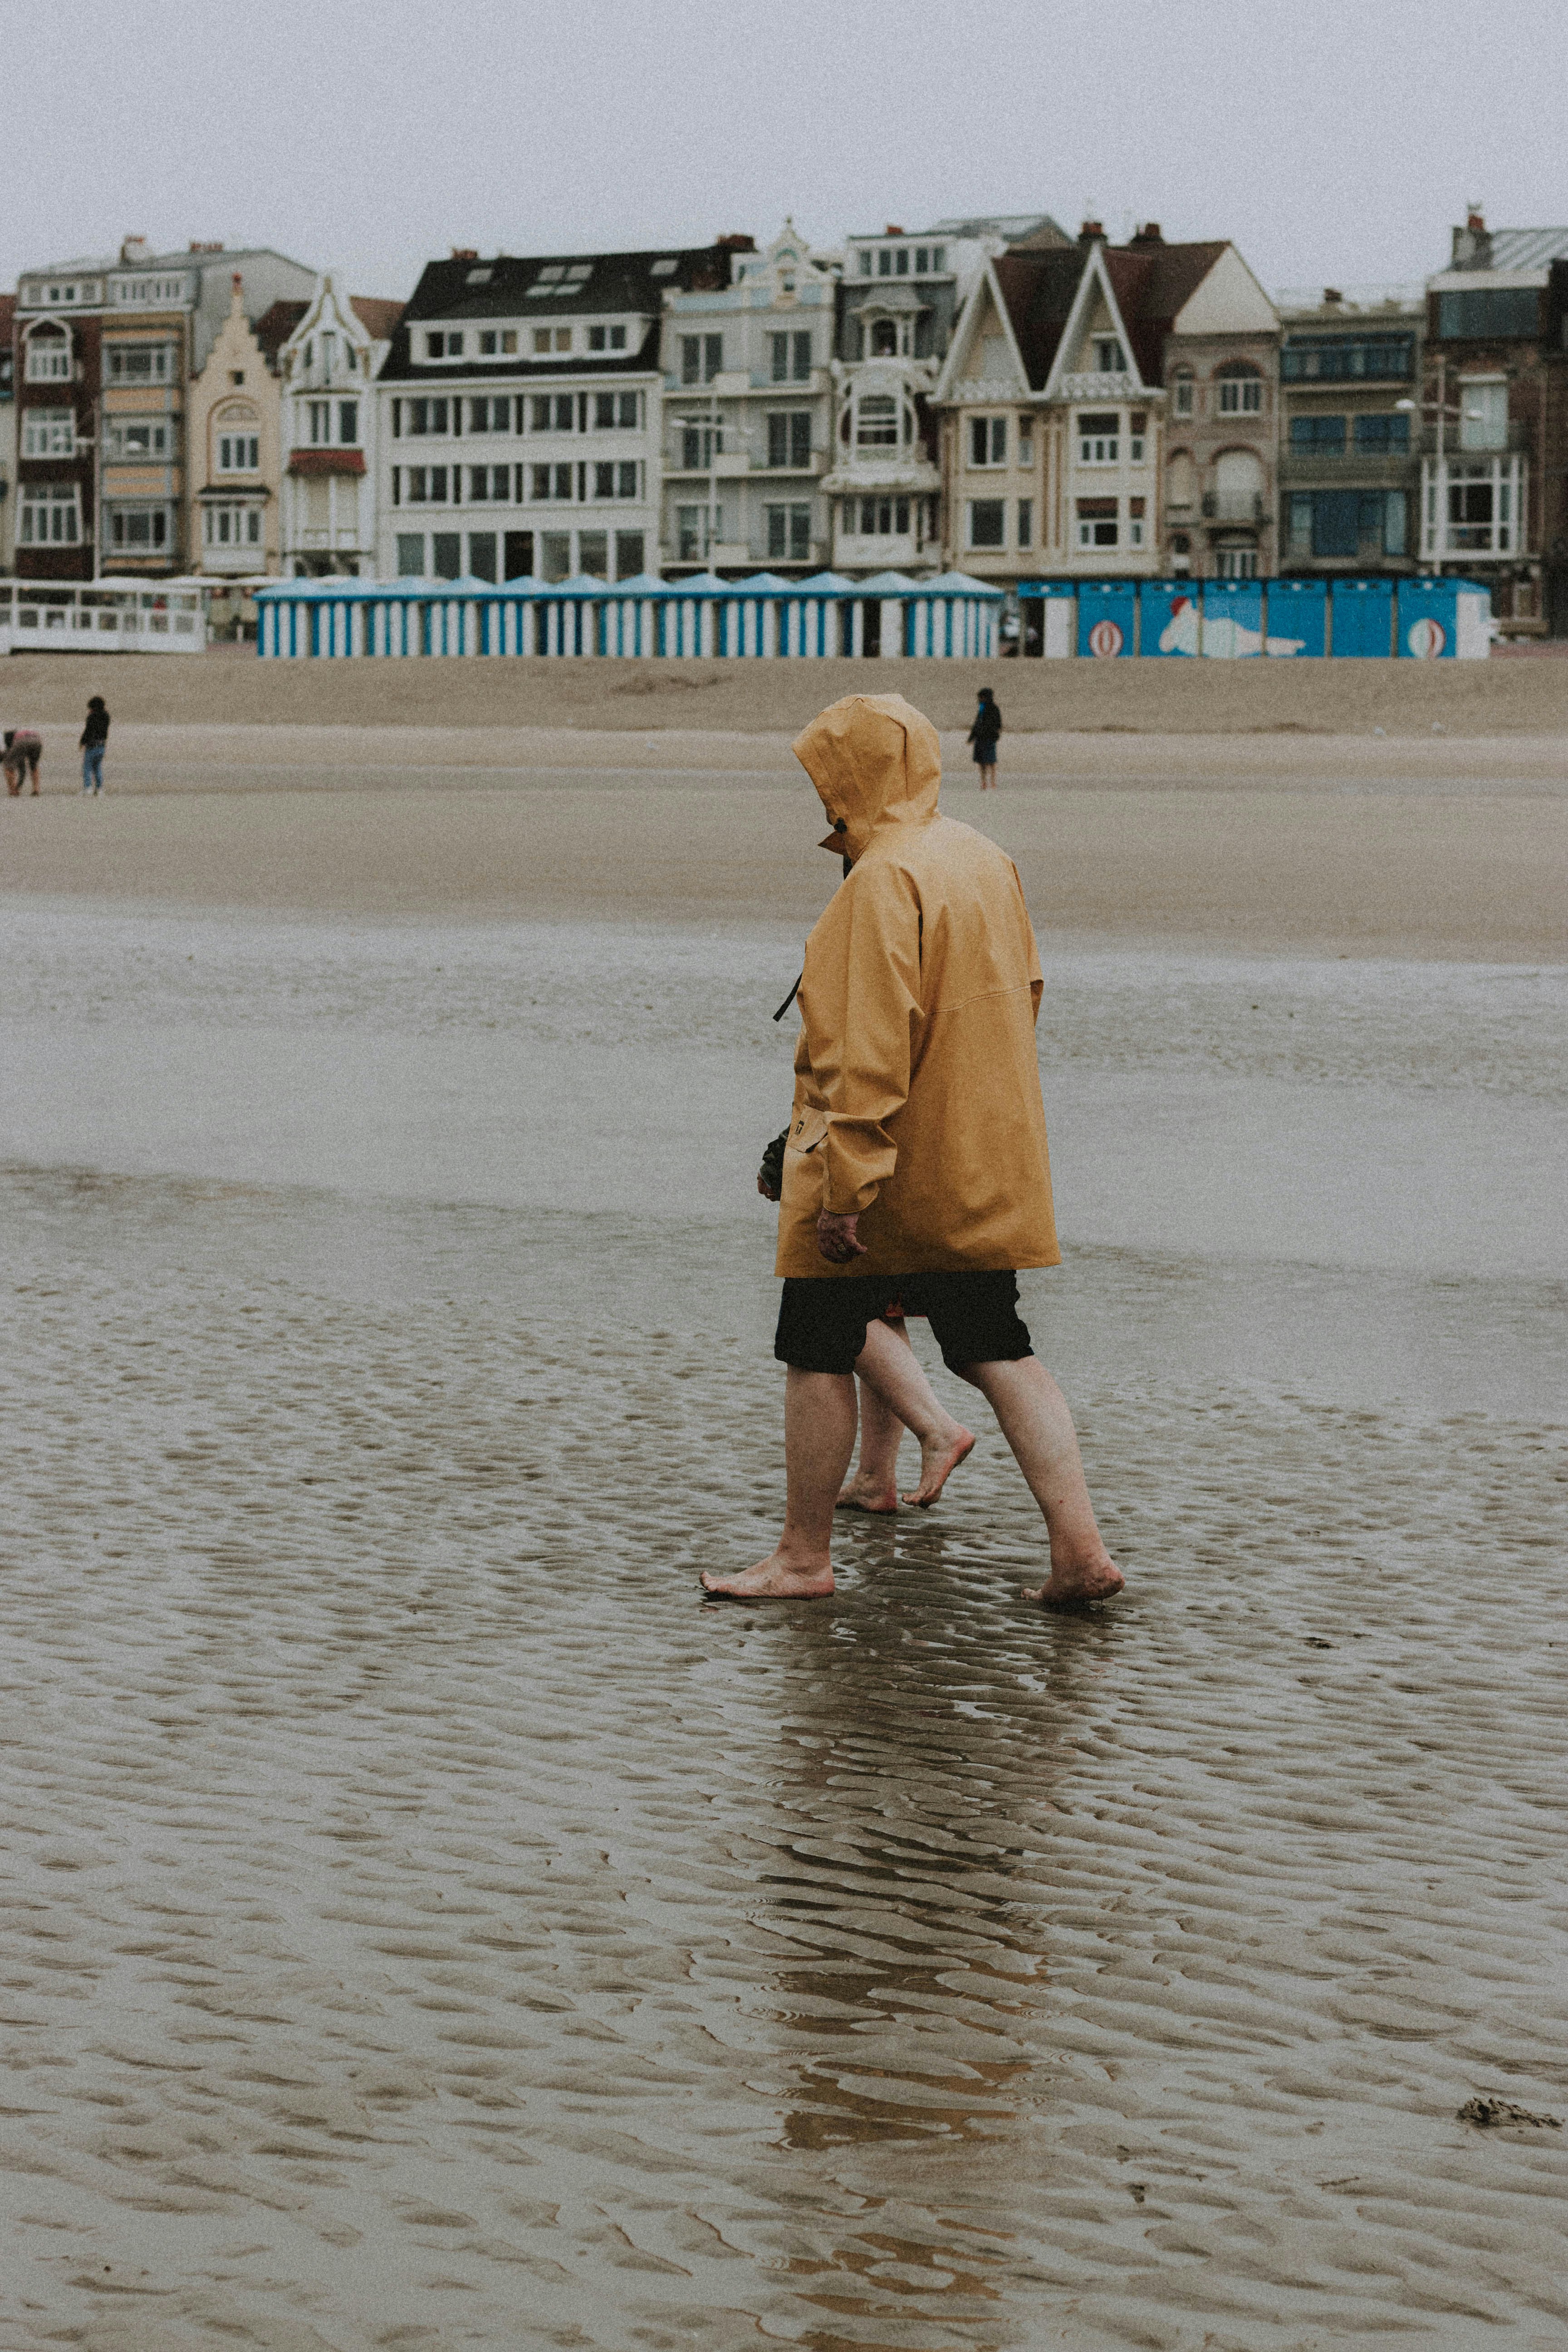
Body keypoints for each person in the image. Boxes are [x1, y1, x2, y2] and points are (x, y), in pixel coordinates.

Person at [705, 691, 1121, 1609]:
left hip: (887, 1162)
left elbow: (865, 1048)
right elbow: (1028, 995)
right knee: (997, 1346)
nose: (820, 799)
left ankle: (804, 1559)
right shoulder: (984, 856)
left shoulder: (881, 880)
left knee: (815, 1344)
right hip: (983, 1153)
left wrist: (846, 1185)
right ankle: (1079, 1549)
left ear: (851, 777)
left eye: (826, 779)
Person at [967, 686, 1001, 791]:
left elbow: (998, 724)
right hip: (981, 738)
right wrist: (972, 737)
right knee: (982, 762)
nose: (980, 699)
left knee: (991, 762)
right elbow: (977, 723)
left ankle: (993, 783)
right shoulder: (982, 708)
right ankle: (984, 783)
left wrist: (995, 734)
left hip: (989, 738)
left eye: (981, 697)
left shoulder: (994, 709)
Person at [79, 697, 110, 794]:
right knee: (97, 767)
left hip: (92, 745)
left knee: (87, 767)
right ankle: (99, 788)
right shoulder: (106, 716)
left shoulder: (92, 717)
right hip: (102, 745)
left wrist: (82, 742)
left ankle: (88, 788)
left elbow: (88, 731)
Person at [3, 726, 43, 796]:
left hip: (22, 741)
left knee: (8, 766)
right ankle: (36, 790)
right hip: (37, 740)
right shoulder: (19, 733)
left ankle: (13, 791)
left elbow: (22, 771)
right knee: (33, 766)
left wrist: (17, 788)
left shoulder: (13, 741)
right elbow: (23, 772)